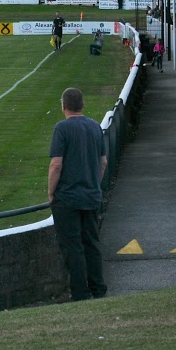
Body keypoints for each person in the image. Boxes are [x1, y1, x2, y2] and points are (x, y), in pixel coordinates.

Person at [47, 87, 107, 301]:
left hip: (68, 197)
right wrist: (94, 184)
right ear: (82, 105)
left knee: (73, 246)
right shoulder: (94, 127)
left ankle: (81, 292)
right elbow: (103, 162)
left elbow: (56, 164)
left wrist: (51, 192)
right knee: (91, 243)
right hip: (91, 195)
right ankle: (98, 288)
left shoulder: (62, 129)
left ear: (63, 106)